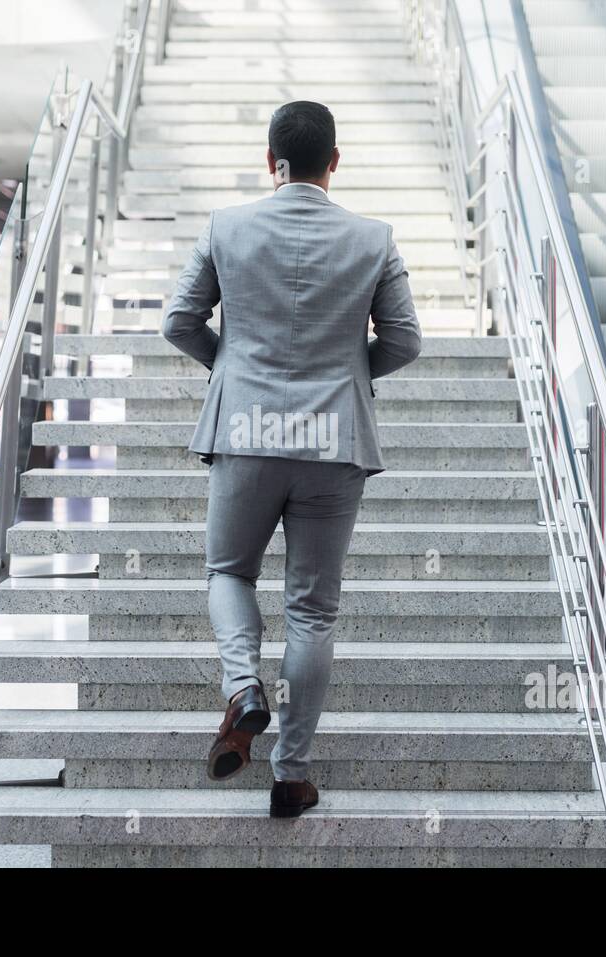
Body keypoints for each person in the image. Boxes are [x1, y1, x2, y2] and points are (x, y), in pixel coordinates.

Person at [161, 100, 422, 818]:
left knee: (228, 570)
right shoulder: (373, 239)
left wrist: (233, 370)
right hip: (332, 444)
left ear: (268, 159)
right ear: (334, 161)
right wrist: (346, 378)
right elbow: (404, 341)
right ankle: (292, 774)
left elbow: (179, 321)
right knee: (312, 610)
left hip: (244, 431)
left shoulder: (227, 227)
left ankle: (244, 688)